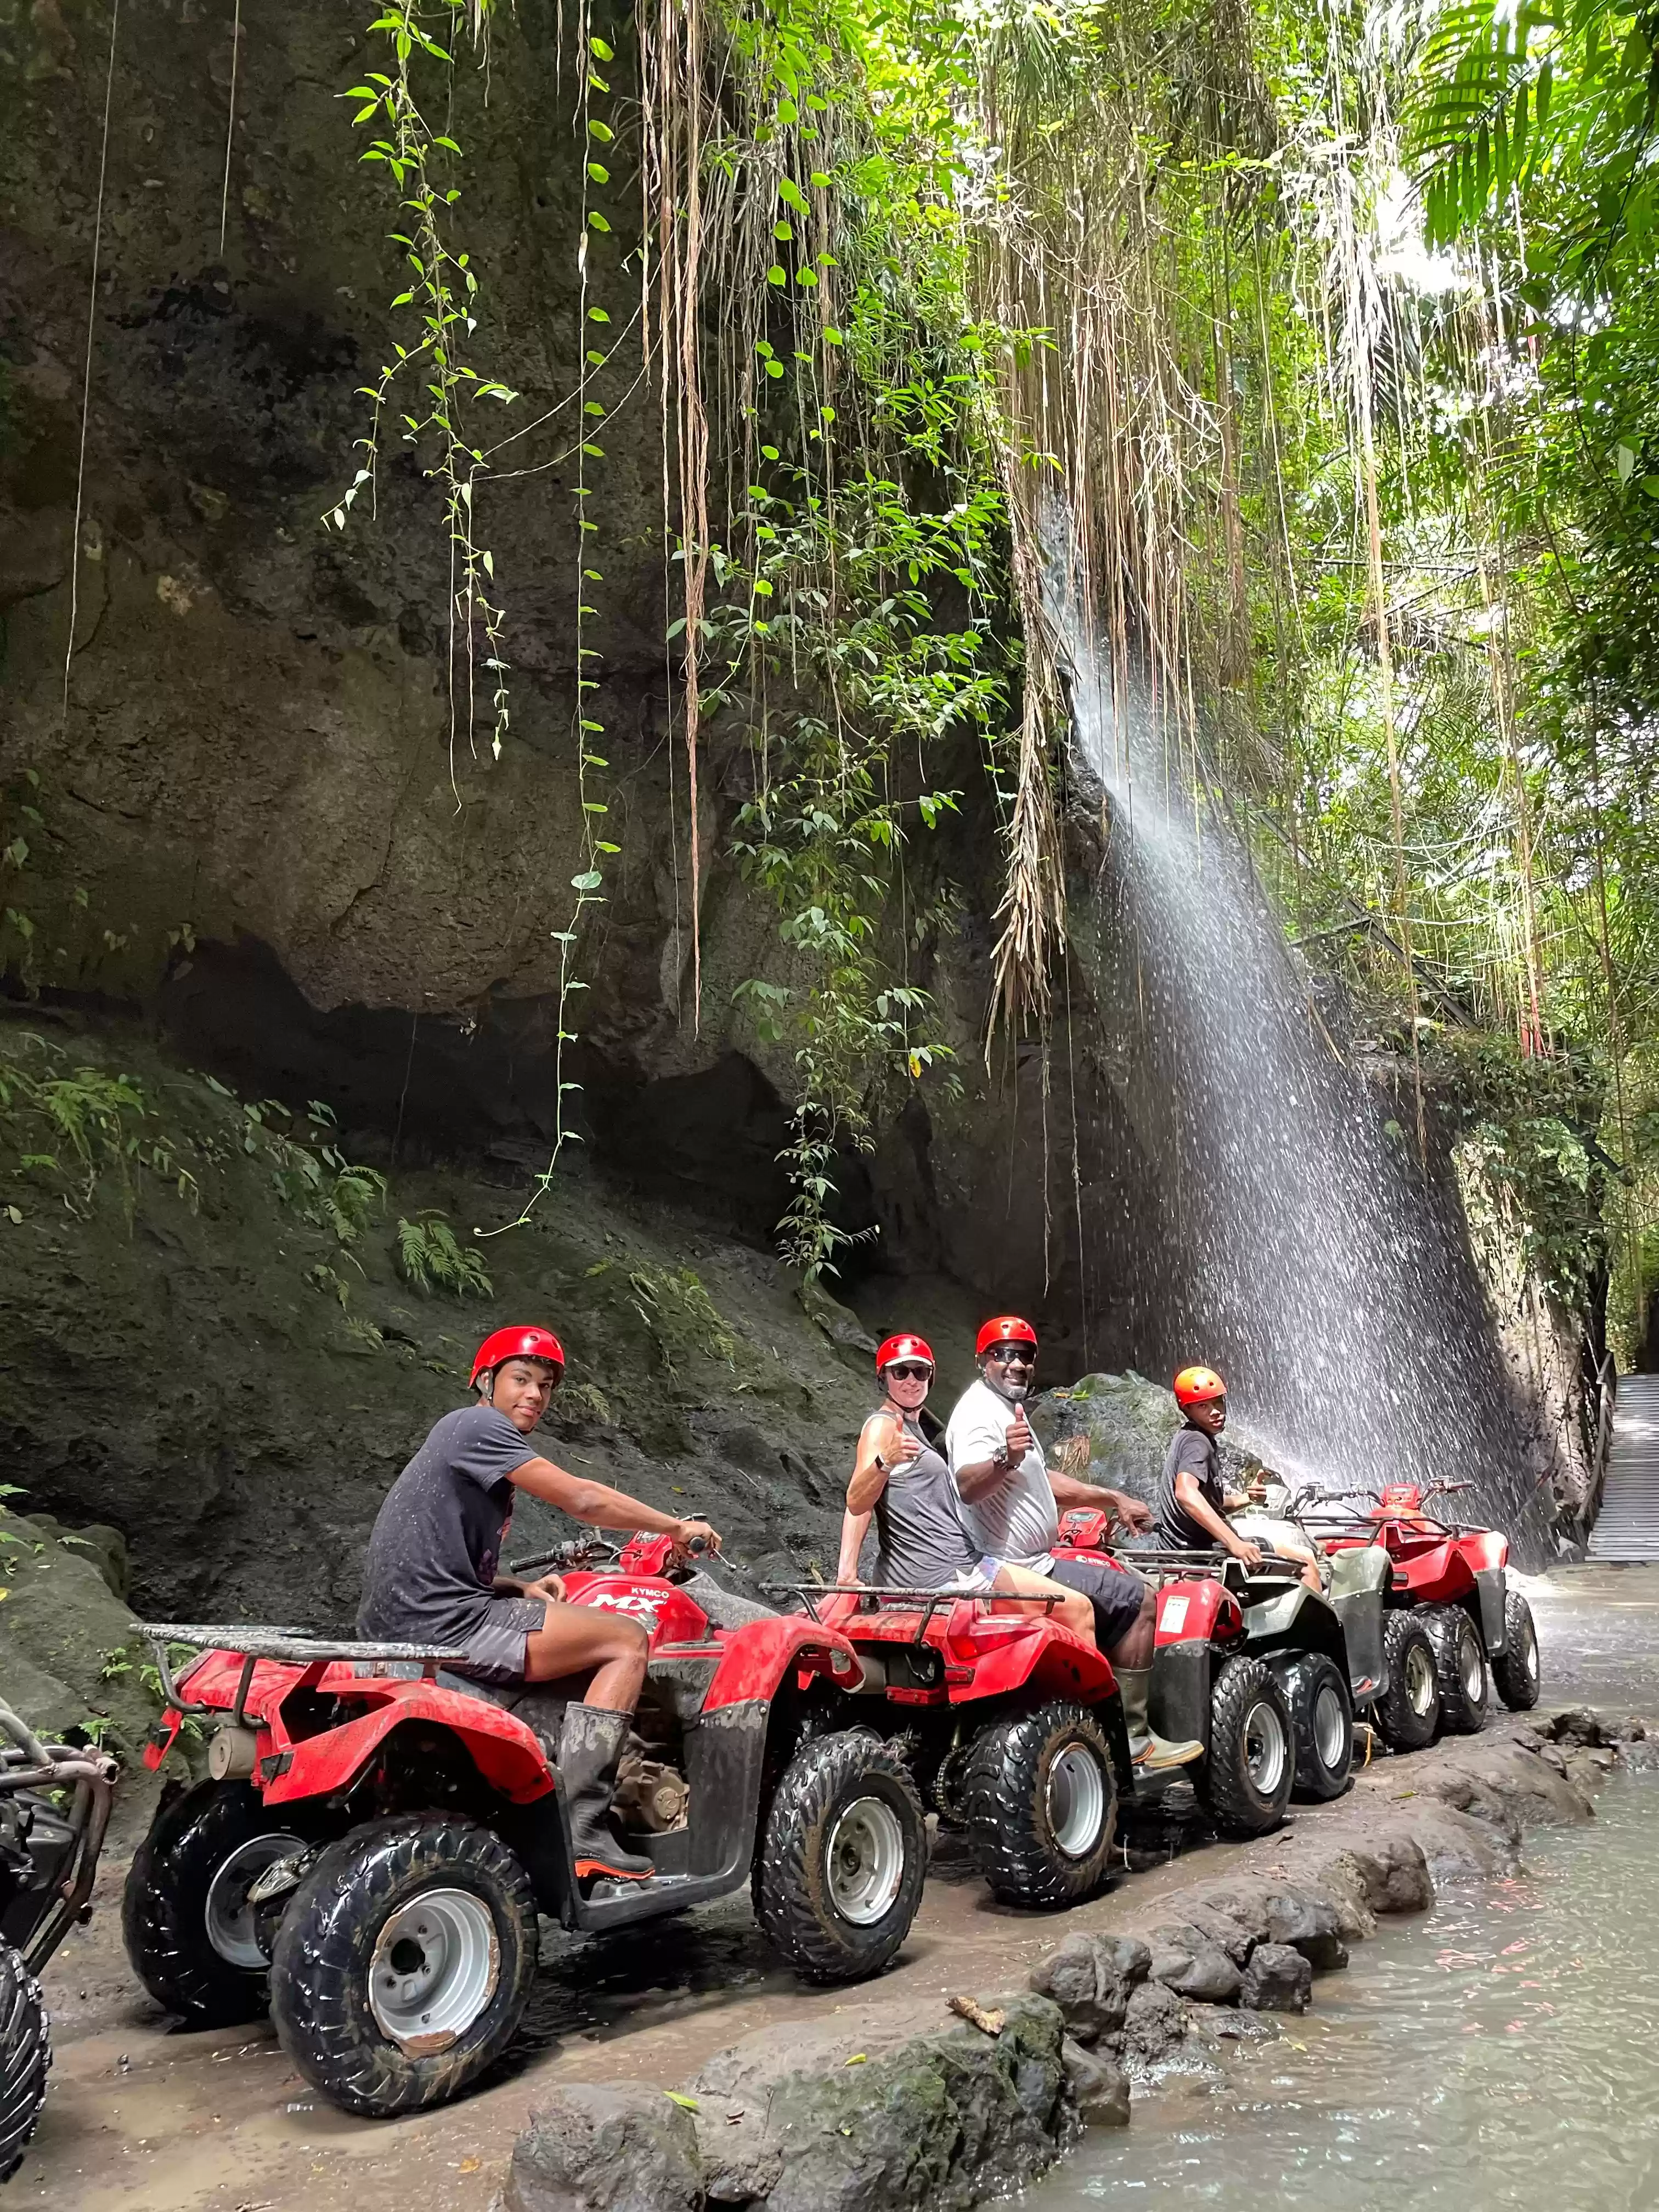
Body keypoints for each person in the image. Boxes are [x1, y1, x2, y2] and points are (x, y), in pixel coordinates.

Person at [357, 1324, 720, 1884]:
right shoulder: (478, 1425)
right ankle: (584, 1829)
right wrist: (676, 1526)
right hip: (445, 1624)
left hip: (408, 1617)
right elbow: (582, 1499)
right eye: (521, 1379)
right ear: (487, 1381)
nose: (534, 1394)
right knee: (626, 1641)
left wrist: (513, 1587)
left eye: (545, 1386)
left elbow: (438, 1558)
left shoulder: (464, 1440)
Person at [947, 1316, 1203, 1771]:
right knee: (1141, 1600)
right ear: (982, 1360)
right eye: (1004, 1354)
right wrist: (1006, 1456)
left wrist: (1111, 1497)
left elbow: (1040, 1480)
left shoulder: (1007, 1409)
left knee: (1109, 1582)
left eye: (1025, 1355)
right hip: (1014, 1566)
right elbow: (967, 1484)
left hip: (1034, 1558)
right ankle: (1134, 1740)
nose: (1017, 1363)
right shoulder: (977, 1413)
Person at [833, 1333, 1097, 1645]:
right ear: (884, 1379)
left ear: (931, 1377)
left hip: (956, 1562)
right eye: (900, 1372)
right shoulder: (883, 1425)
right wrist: (884, 1462)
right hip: (943, 1574)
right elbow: (857, 1502)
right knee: (1078, 1610)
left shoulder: (914, 1428)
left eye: (921, 1371)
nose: (912, 1381)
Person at [1156, 1366, 1321, 1592]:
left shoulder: (1186, 1437)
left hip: (1179, 1552)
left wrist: (1247, 1498)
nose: (1215, 1412)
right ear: (1187, 1409)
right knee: (1306, 1561)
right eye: (1203, 1406)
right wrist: (1234, 1543)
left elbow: (1209, 1503)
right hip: (1204, 1555)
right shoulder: (1198, 1443)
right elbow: (1185, 1493)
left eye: (1218, 1403)